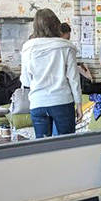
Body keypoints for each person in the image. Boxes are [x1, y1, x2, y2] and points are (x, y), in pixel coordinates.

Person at [20, 9, 82, 138]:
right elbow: (74, 79)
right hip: (62, 102)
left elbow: (25, 81)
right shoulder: (66, 47)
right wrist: (79, 104)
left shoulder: (28, 48)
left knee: (42, 149)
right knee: (68, 146)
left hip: (38, 103)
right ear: (56, 25)